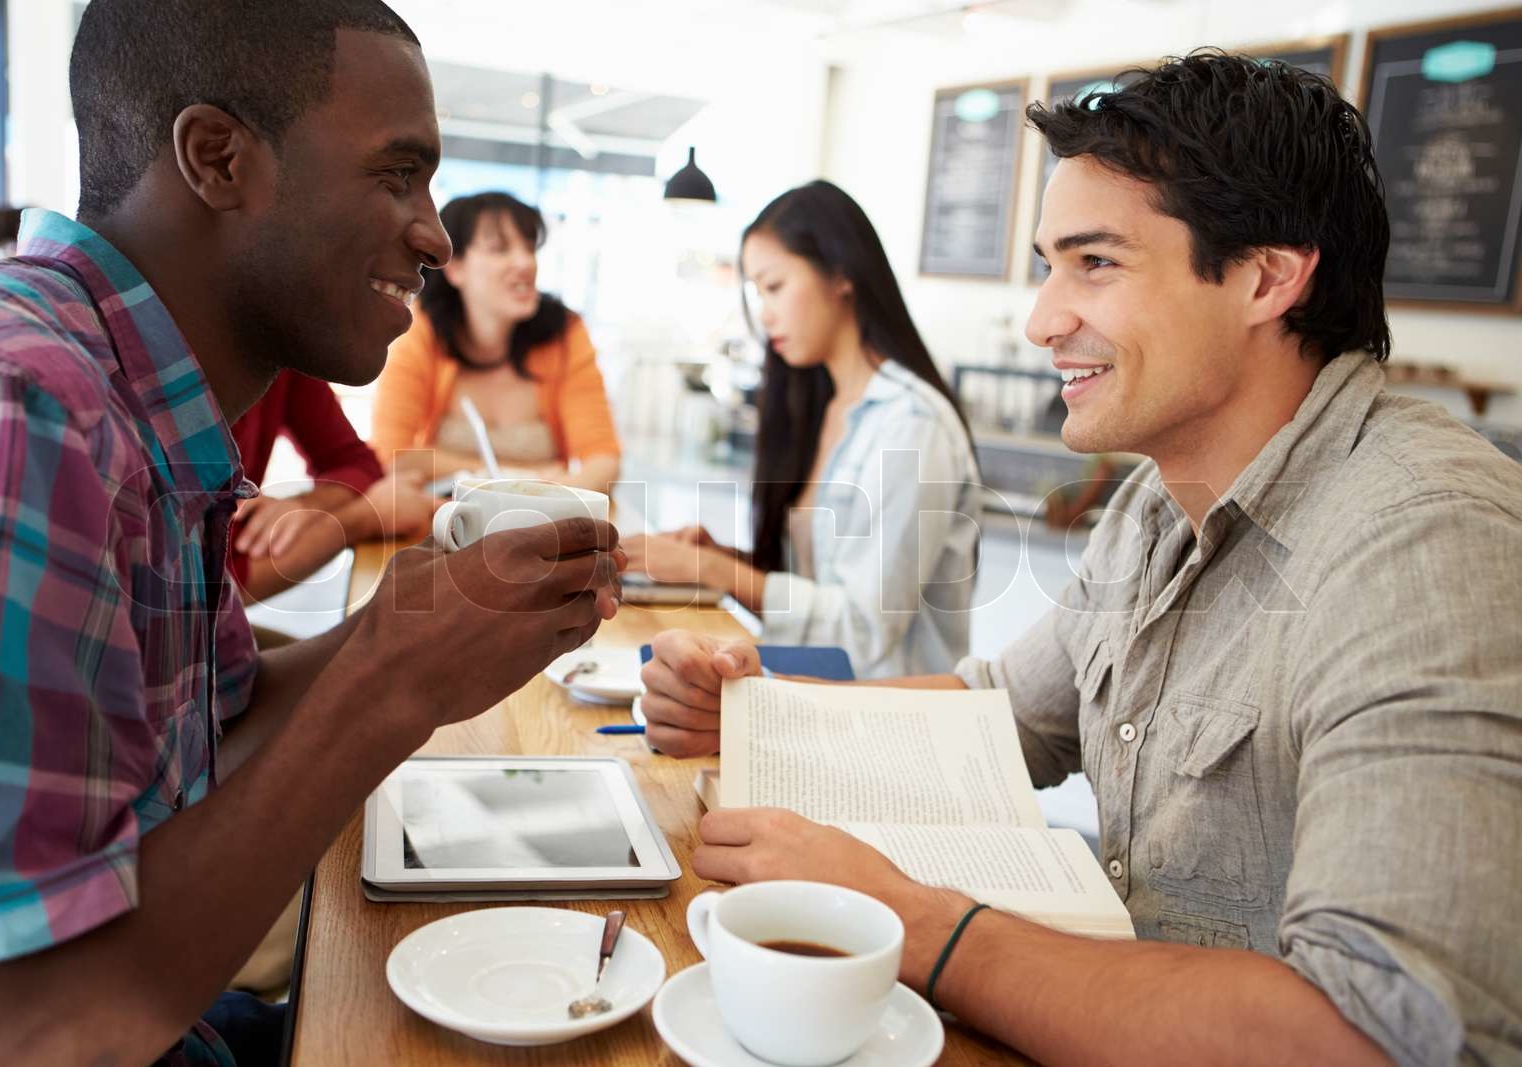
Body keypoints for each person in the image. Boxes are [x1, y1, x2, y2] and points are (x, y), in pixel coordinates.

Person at [640, 53, 1522, 1065]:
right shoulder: (1156, 499)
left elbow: (1377, 1032)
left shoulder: (1430, 537)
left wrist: (916, 920)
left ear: (1265, 276)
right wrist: (757, 713)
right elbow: (1003, 712)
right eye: (1047, 265)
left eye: (1094, 264)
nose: (1041, 320)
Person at [0, 4, 621, 1066]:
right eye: (398, 175)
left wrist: (418, 619)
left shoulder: (135, 397)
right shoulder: (15, 396)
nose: (433, 233)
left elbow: (218, 723)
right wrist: (391, 685)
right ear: (217, 158)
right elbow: (4, 1031)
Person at [624, 181, 982, 678]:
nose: (764, 313)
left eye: (774, 287)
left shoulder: (910, 426)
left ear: (841, 275)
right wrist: (724, 559)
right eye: (756, 292)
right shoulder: (825, 406)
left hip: (892, 728)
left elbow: (865, 632)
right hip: (814, 701)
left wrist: (721, 573)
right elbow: (824, 587)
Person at [370, 191, 621, 493]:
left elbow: (604, 461)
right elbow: (389, 457)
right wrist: (514, 475)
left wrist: (562, 495)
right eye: (500, 249)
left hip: (541, 520)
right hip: (447, 520)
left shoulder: (565, 333)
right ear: (455, 267)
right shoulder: (422, 332)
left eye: (529, 247)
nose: (525, 262)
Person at [229, 368, 439, 602]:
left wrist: (307, 505)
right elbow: (218, 582)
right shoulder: (190, 390)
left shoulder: (284, 354)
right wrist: (366, 518)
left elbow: (357, 462)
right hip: (198, 631)